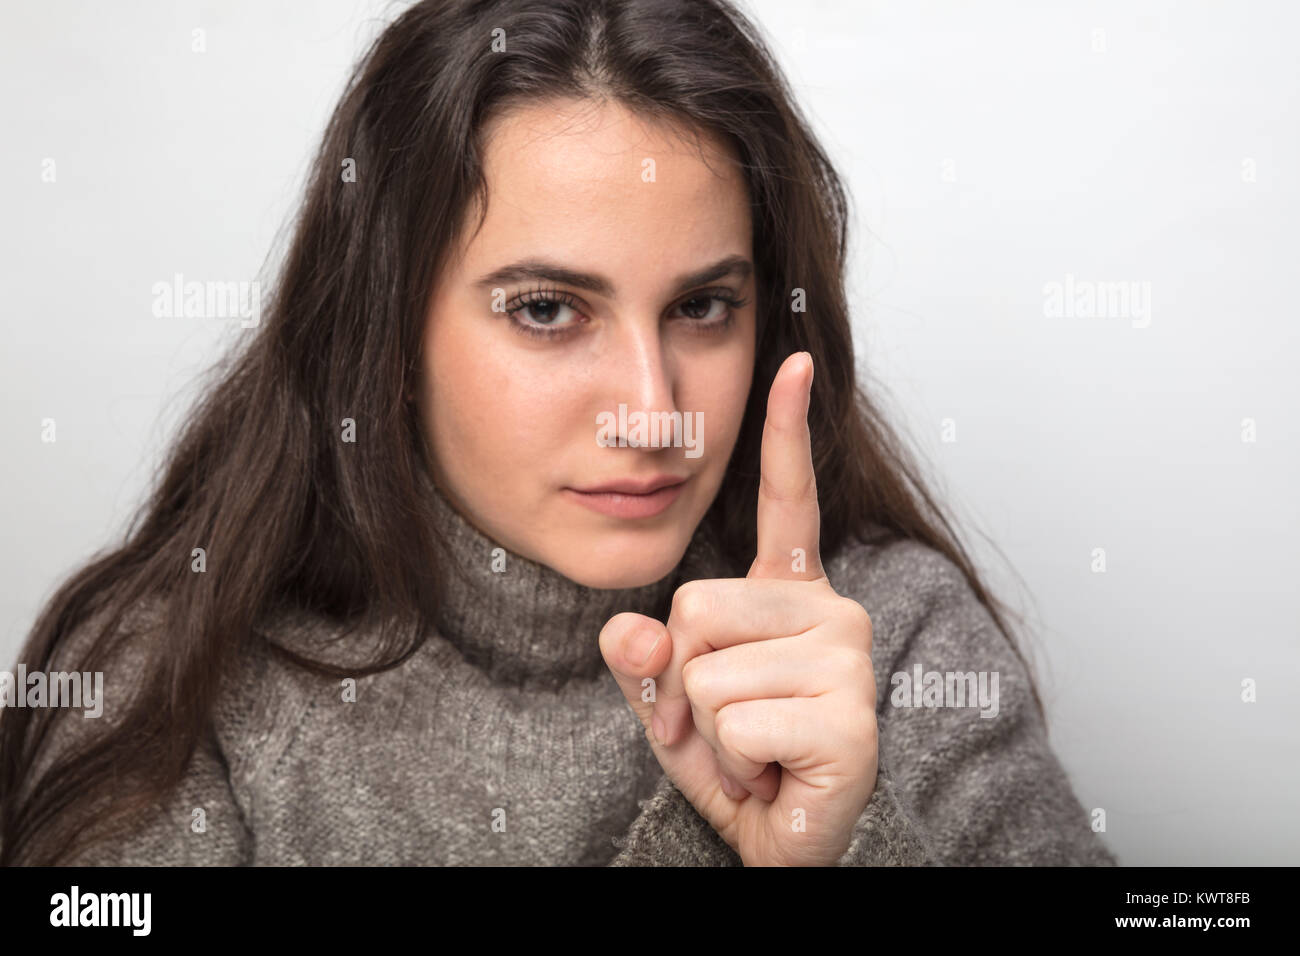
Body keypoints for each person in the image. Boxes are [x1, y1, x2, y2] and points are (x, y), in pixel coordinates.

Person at [0, 0, 1116, 866]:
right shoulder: (170, 671)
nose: (653, 404)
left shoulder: (892, 641)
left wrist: (846, 846)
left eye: (701, 307)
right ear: (381, 328)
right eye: (546, 309)